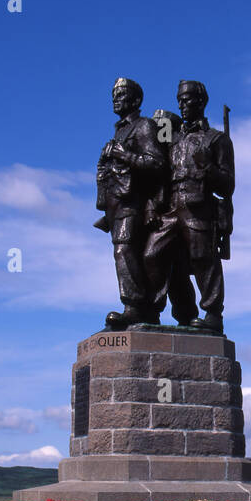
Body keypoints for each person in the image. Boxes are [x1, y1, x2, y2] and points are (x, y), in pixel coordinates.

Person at [145, 80, 234, 332]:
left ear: (202, 102)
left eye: (188, 100)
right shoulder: (172, 139)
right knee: (153, 254)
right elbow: (160, 175)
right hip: (171, 209)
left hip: (198, 209)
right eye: (180, 100)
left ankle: (213, 315)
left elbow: (227, 186)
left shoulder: (216, 140)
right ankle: (154, 309)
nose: (182, 105)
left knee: (203, 259)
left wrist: (208, 168)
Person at [95, 77, 168, 329]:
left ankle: (134, 306)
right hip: (116, 203)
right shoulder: (120, 129)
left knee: (124, 249)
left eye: (122, 94)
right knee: (126, 251)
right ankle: (141, 308)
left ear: (136, 100)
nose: (116, 99)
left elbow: (157, 163)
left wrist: (122, 154)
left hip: (134, 202)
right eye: (114, 94)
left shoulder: (144, 126)